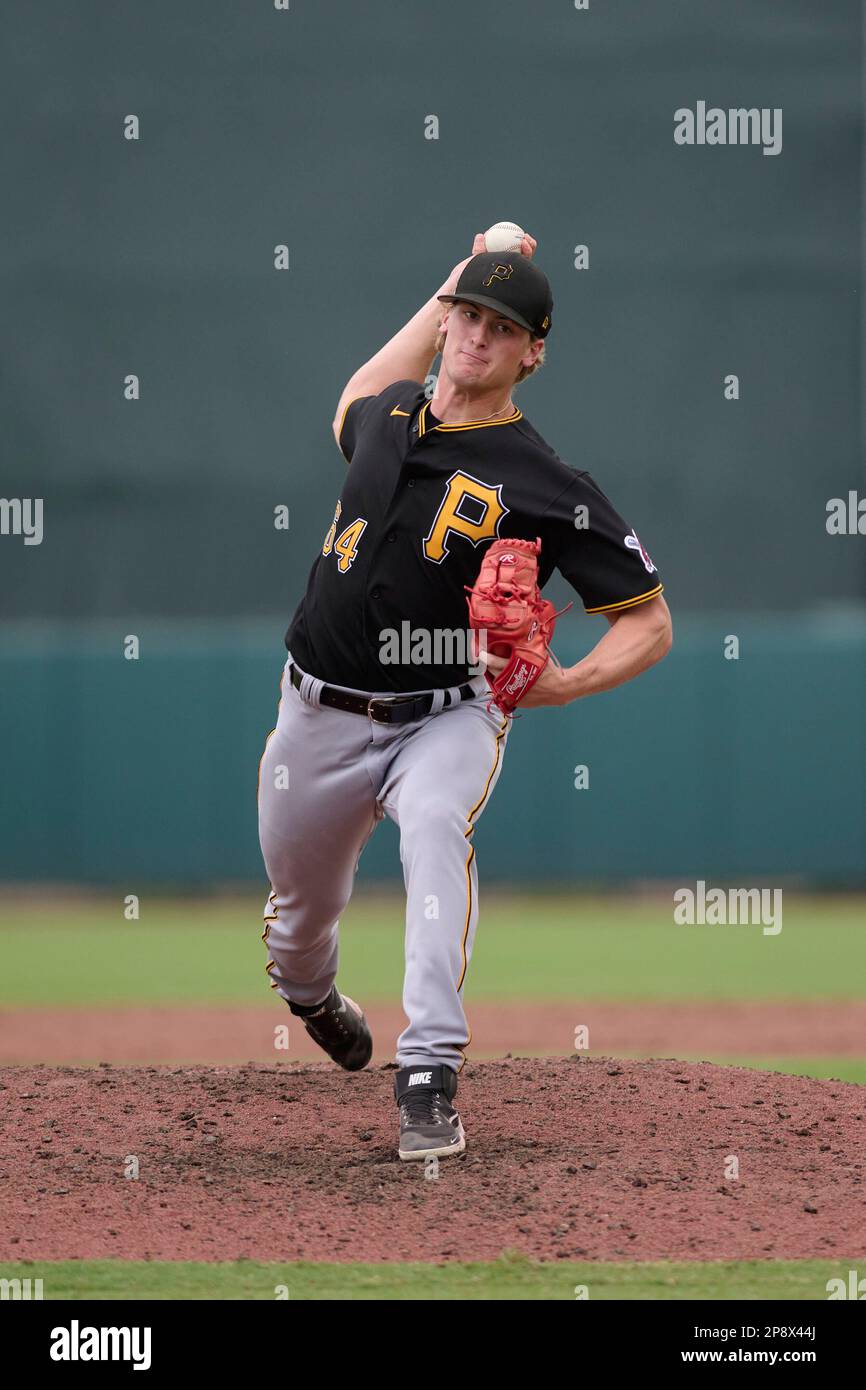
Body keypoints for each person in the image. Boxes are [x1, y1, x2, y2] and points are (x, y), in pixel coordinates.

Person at [257, 232, 672, 1161]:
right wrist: (451, 280)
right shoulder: (388, 415)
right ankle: (315, 997)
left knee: (439, 824)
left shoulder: (547, 480)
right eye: (469, 317)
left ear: (534, 352)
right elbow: (355, 392)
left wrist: (561, 687)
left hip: (447, 711)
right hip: (315, 712)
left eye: (503, 328)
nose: (478, 337)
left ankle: (428, 1076)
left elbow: (650, 624)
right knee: (295, 930)